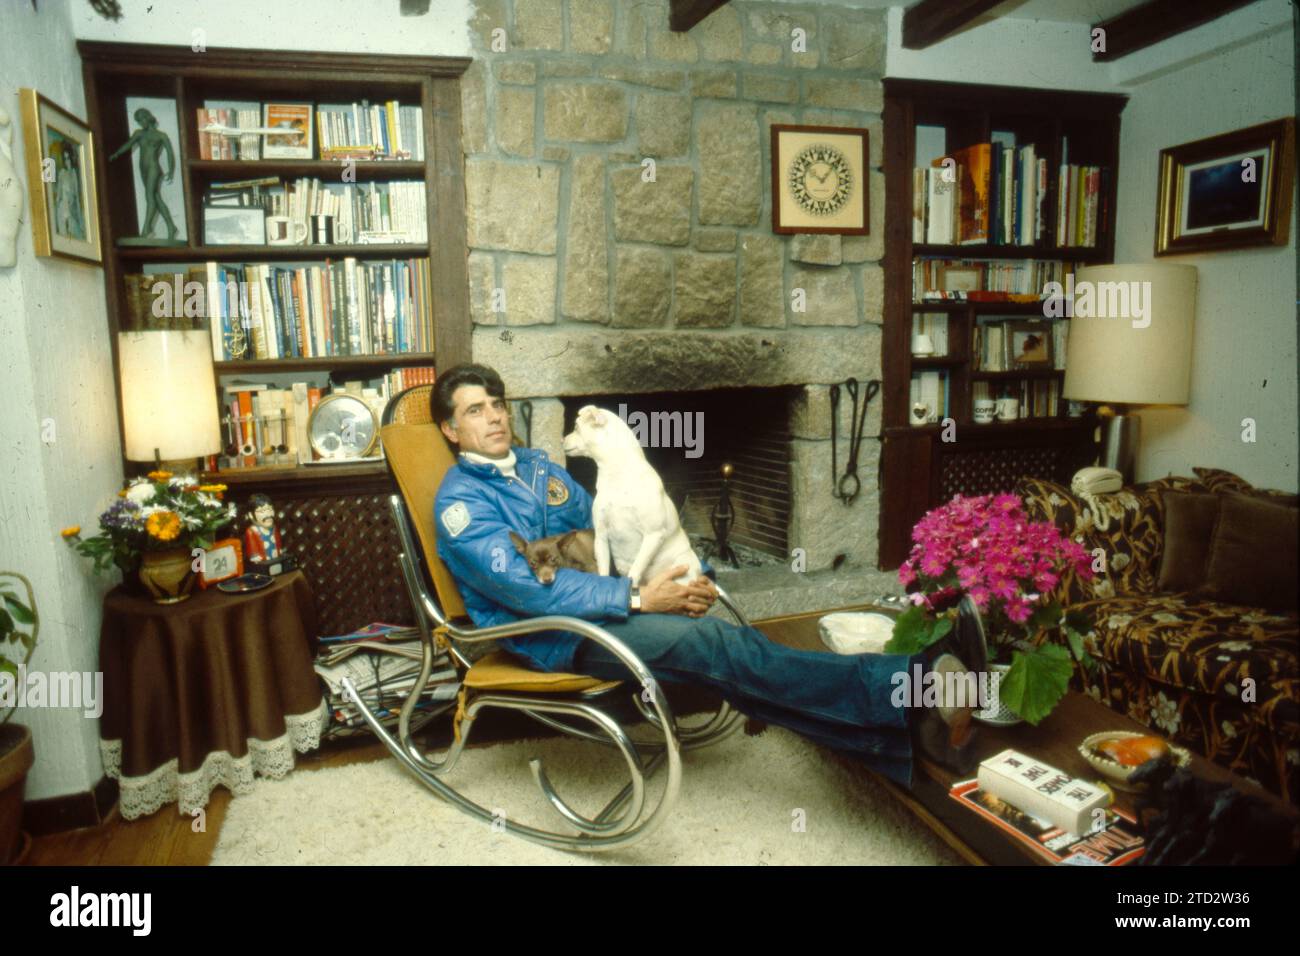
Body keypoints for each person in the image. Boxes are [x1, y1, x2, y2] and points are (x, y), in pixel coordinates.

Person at [431, 363, 986, 788]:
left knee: (728, 657)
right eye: (476, 410)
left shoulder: (537, 467)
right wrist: (641, 597)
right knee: (716, 645)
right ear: (451, 430)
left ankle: (899, 733)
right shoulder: (460, 503)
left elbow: (616, 528)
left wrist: (688, 575)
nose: (496, 417)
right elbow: (524, 587)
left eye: (497, 404)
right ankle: (910, 687)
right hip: (549, 633)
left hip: (603, 603)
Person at [109, 108, 177, 241]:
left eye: (142, 119)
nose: (140, 123)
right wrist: (116, 154)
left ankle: (146, 228)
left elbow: (170, 153)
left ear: (148, 117)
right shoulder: (139, 133)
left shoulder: (161, 135)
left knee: (149, 196)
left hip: (153, 168)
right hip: (143, 168)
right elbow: (128, 145)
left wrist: (171, 169)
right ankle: (171, 226)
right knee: (156, 197)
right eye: (138, 121)